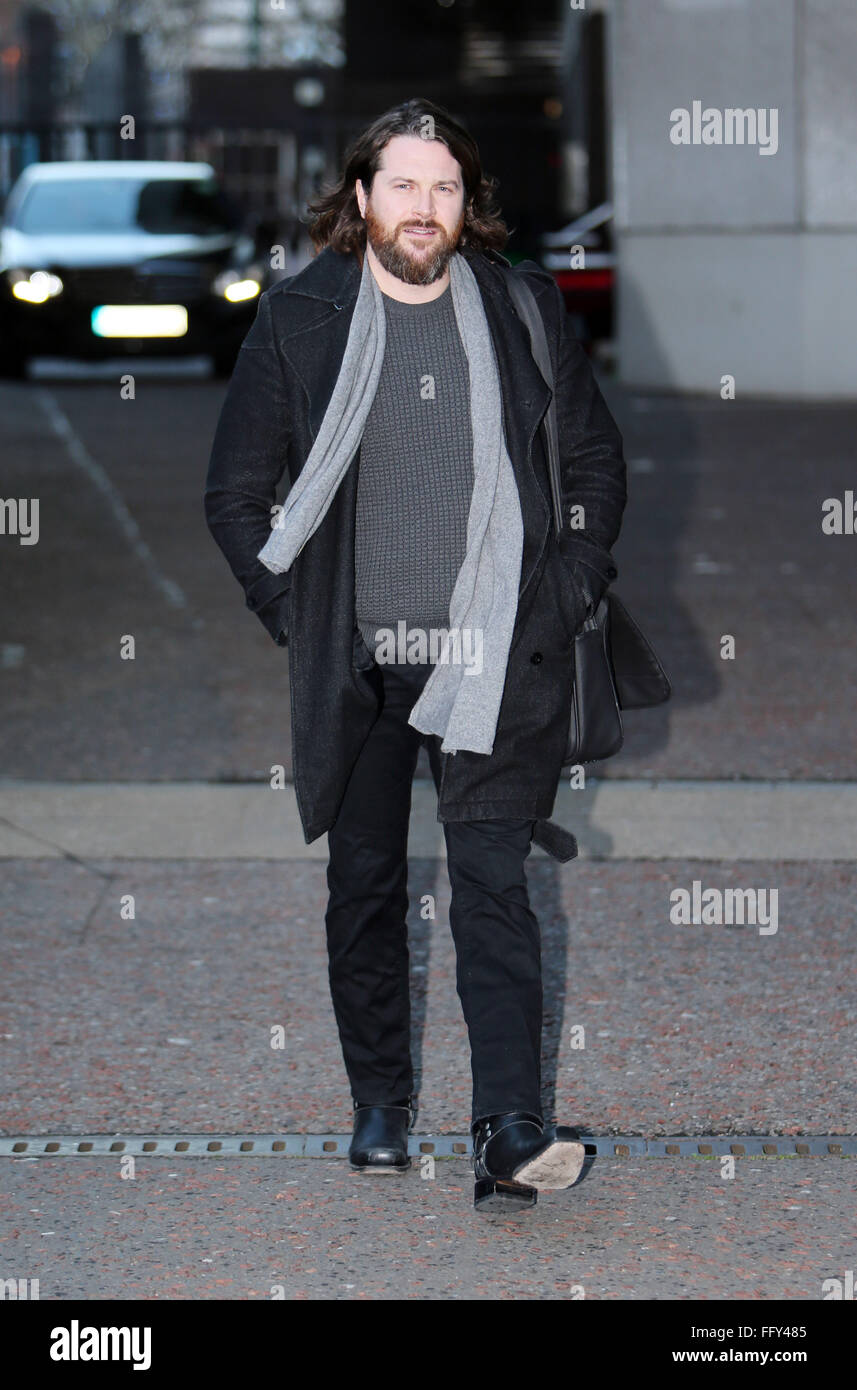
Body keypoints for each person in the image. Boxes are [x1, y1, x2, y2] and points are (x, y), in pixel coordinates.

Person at [204, 98, 626, 1213]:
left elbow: (590, 465)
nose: (423, 208)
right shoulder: (302, 319)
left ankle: (507, 1128)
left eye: (442, 187)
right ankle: (381, 1102)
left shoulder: (521, 310)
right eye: (402, 186)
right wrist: (299, 619)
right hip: (359, 662)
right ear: (361, 200)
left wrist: (568, 587)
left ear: (464, 201)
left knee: (492, 883)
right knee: (367, 885)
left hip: (496, 655)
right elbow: (236, 494)